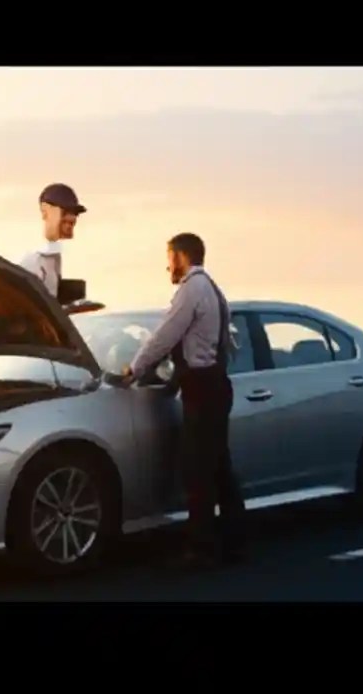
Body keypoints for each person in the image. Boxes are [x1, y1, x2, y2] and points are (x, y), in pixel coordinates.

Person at [122, 232, 246, 568]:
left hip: (203, 389)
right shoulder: (213, 290)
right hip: (214, 385)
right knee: (218, 467)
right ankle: (235, 544)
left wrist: (134, 369)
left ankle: (200, 550)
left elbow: (165, 335)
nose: (167, 266)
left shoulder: (191, 289)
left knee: (198, 471)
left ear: (181, 256)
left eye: (170, 257)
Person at [18, 182, 85, 301]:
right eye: (66, 211)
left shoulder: (53, 255)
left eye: (74, 213)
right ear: (45, 211)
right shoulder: (33, 259)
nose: (72, 218)